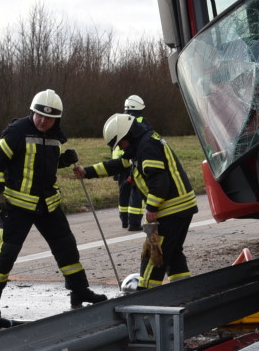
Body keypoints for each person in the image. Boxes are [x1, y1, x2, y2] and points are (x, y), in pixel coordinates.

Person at [0, 90, 107, 314]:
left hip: (48, 204)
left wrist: (63, 160)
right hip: (17, 206)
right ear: (32, 112)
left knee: (67, 248)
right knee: (6, 253)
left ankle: (80, 290)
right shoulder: (17, 131)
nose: (42, 120)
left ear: (56, 119)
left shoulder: (56, 136)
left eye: (48, 118)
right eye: (39, 115)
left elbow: (42, 164)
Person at [76, 112, 197, 289]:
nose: (122, 148)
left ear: (128, 135)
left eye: (121, 143)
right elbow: (118, 164)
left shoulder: (146, 147)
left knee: (154, 257)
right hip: (182, 207)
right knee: (172, 254)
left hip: (170, 209)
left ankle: (145, 296)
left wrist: (151, 207)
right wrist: (87, 172)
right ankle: (183, 290)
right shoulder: (141, 144)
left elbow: (159, 180)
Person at [114, 94, 146, 231]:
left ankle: (124, 221)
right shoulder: (141, 124)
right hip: (133, 163)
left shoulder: (119, 122)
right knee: (137, 192)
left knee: (123, 192)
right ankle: (134, 223)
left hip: (118, 164)